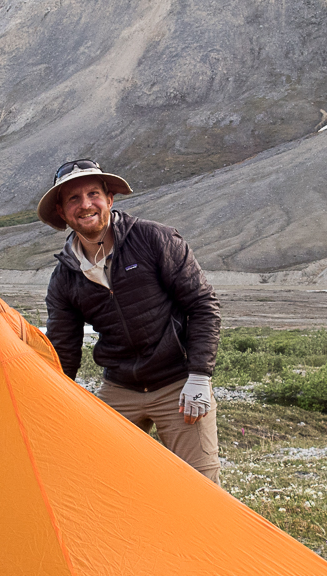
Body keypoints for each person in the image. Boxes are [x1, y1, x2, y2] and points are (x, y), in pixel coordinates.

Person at [39, 159, 223, 482]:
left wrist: (199, 375)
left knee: (203, 487)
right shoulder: (65, 277)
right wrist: (52, 403)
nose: (85, 205)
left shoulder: (154, 240)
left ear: (109, 199)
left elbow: (203, 305)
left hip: (178, 383)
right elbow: (63, 353)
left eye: (93, 194)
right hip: (120, 387)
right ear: (62, 212)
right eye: (73, 199)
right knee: (102, 484)